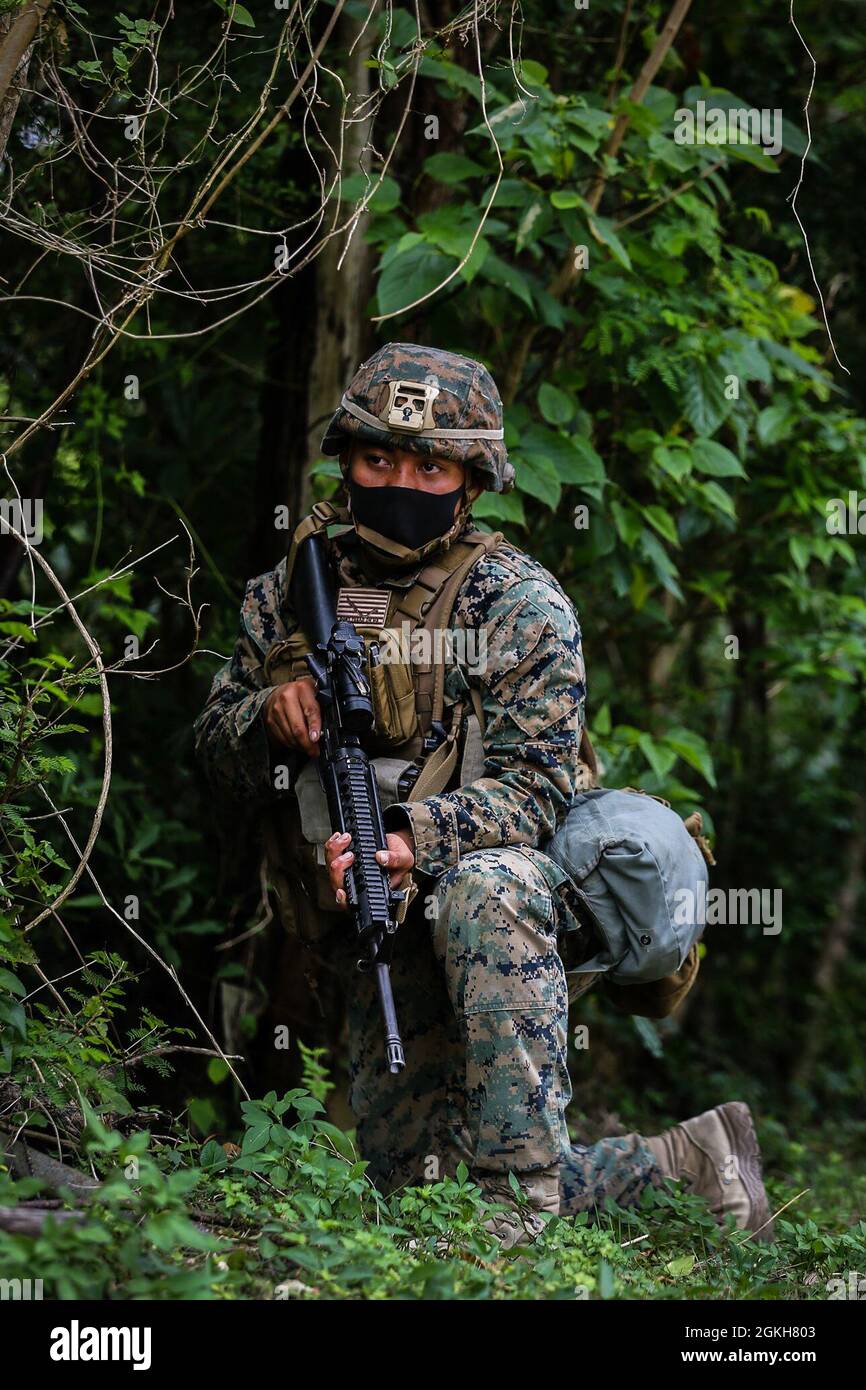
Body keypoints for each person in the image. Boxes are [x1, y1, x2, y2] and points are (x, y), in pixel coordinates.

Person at [194, 342, 771, 1247]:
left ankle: (522, 1210)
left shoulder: (517, 603)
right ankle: (689, 1161)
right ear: (345, 460)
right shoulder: (286, 596)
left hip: (514, 907)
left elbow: (535, 793)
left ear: (472, 480)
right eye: (379, 459)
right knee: (413, 1184)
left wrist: (411, 835)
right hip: (377, 913)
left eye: (429, 465)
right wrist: (269, 715)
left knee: (488, 884)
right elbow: (212, 761)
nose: (400, 481)